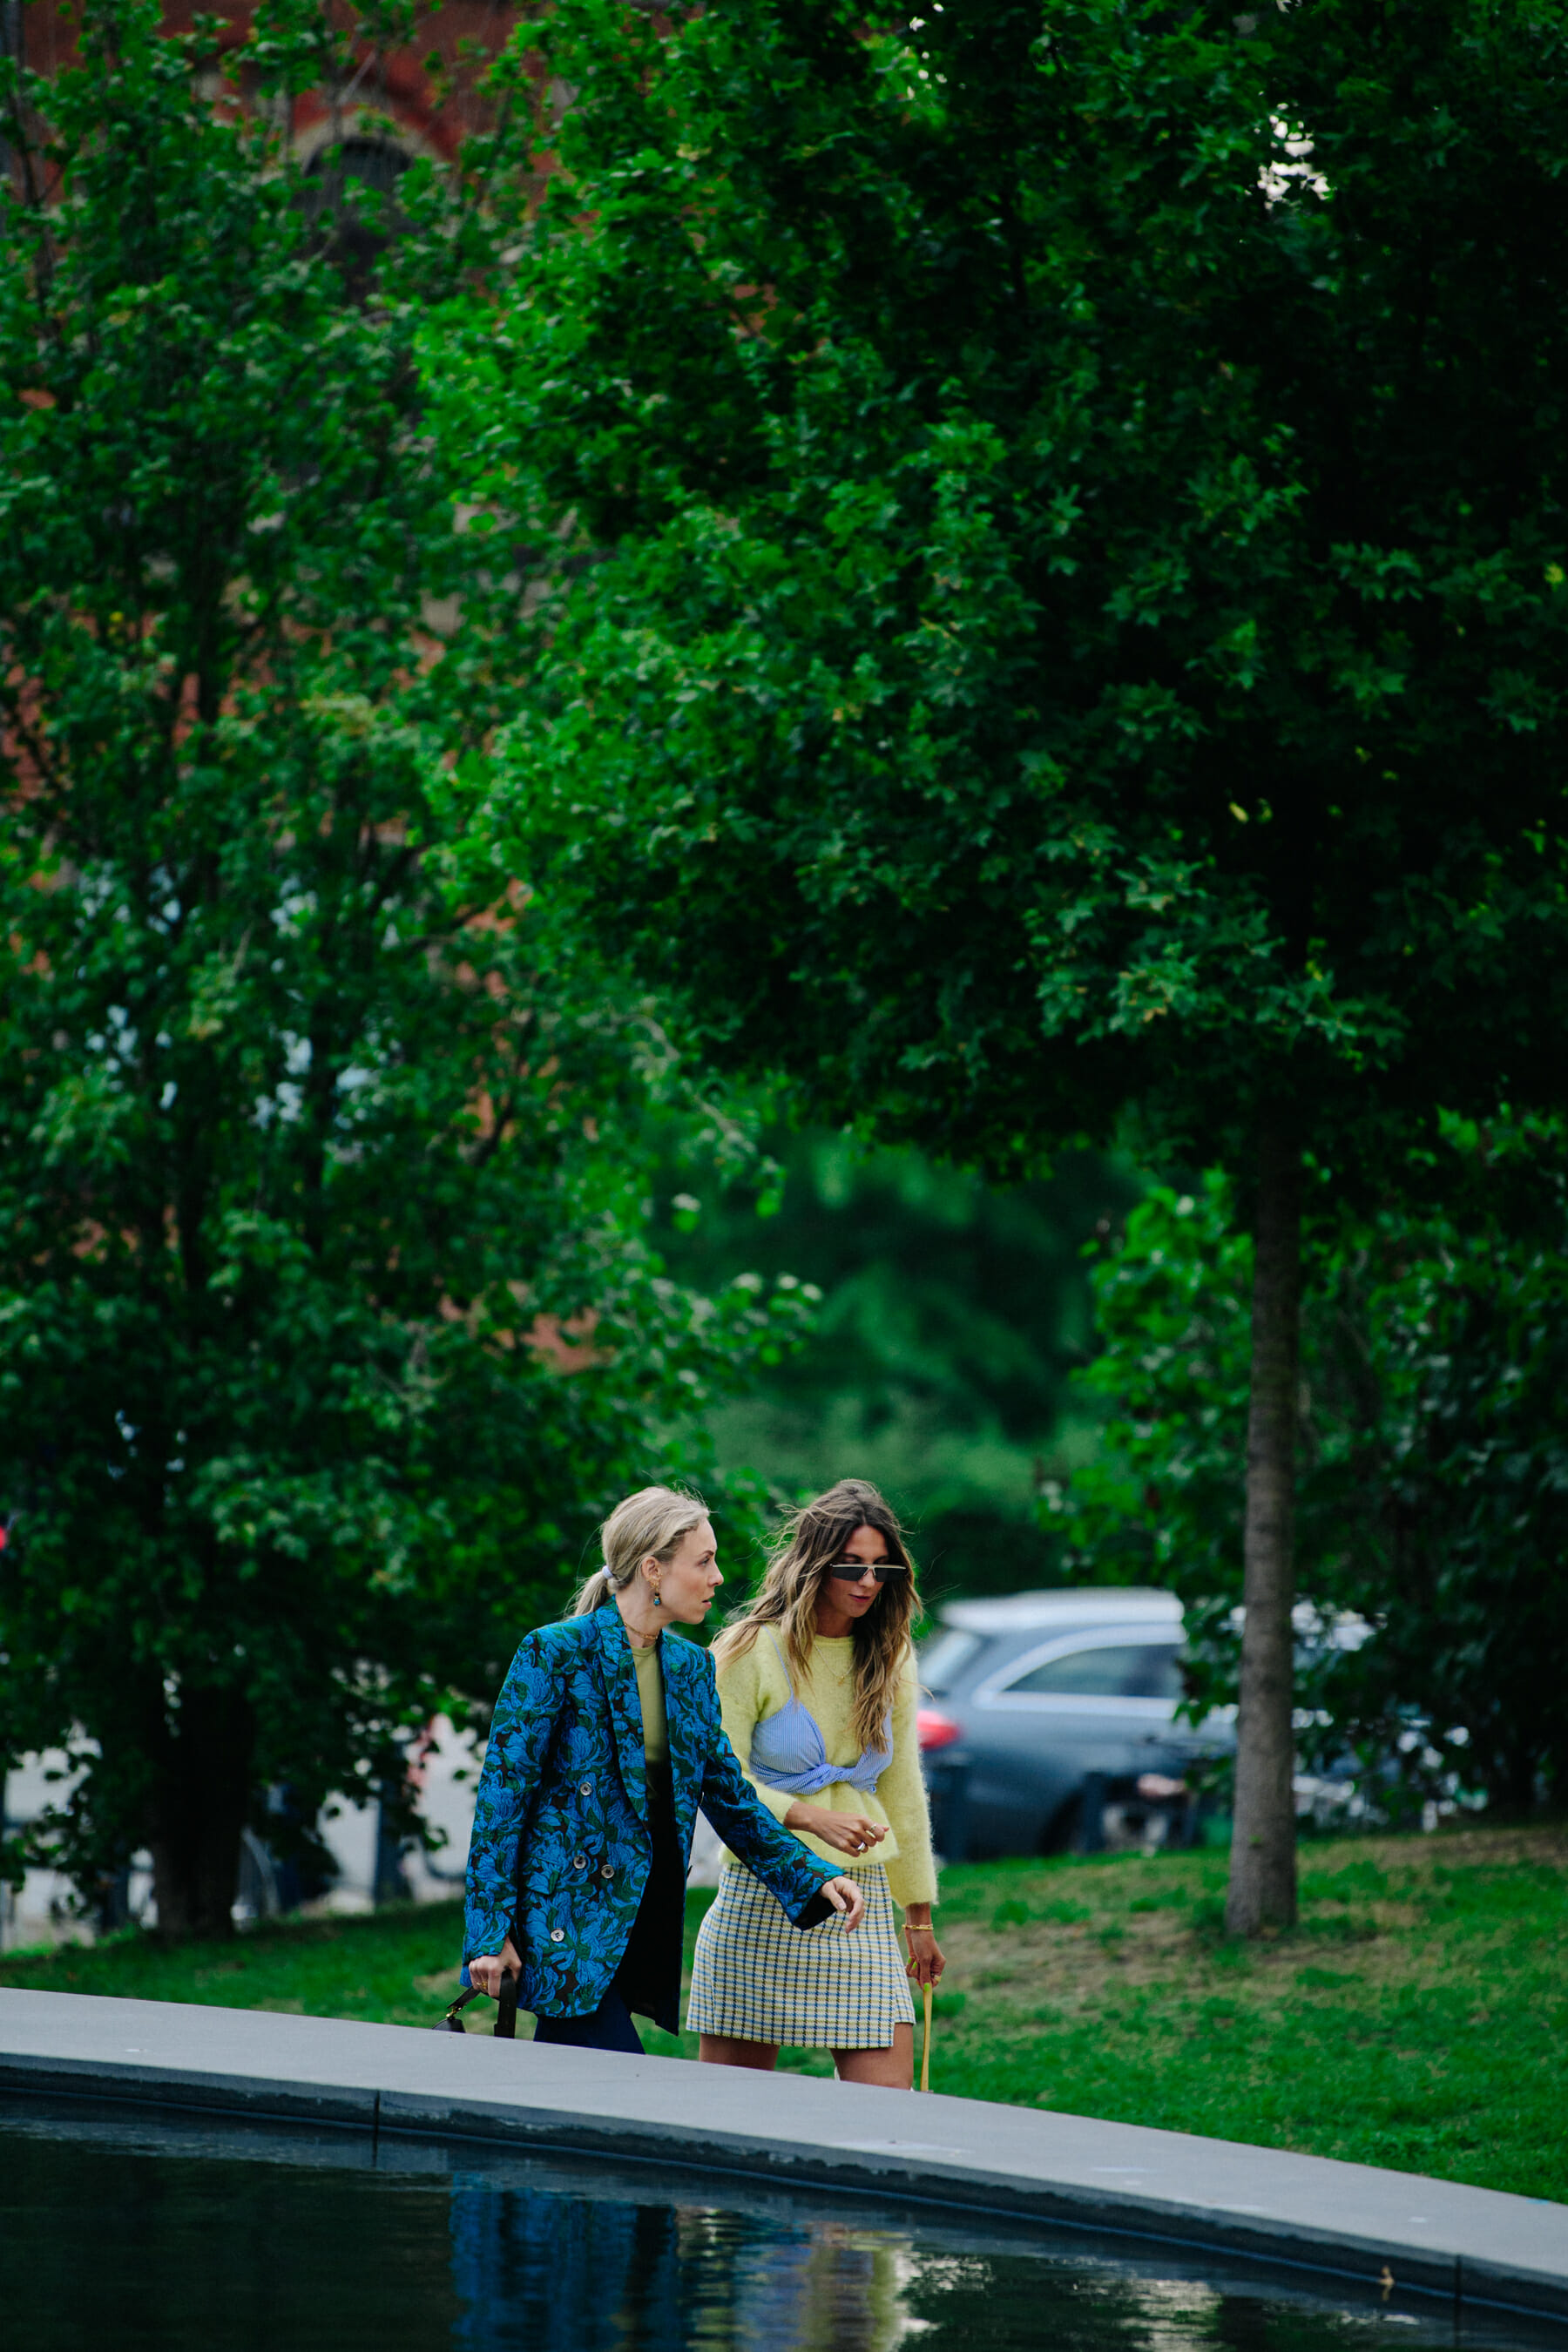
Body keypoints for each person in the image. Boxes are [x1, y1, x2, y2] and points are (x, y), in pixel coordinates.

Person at [463, 1485, 865, 2053]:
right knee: (615, 2085)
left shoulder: (691, 1668)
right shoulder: (554, 1653)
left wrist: (814, 1874)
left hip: (640, 1926)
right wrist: (488, 1933)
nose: (718, 1577)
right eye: (704, 1561)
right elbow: (501, 1804)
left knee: (587, 2107)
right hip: (566, 1925)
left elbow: (730, 1799)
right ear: (653, 1570)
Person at [690, 1477, 945, 2087]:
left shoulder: (890, 1655)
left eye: (880, 1567)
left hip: (862, 1905)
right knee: (732, 2127)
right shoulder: (750, 1650)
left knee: (884, 2119)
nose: (867, 1582)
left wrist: (920, 1917)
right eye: (850, 1566)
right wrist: (810, 1817)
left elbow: (903, 1792)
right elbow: (717, 1777)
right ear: (813, 1565)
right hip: (763, 1896)